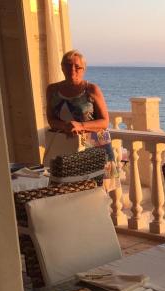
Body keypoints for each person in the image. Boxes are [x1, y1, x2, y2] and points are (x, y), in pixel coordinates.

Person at [46, 49, 120, 191]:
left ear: (84, 69)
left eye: (77, 66)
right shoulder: (52, 90)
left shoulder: (92, 89)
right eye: (68, 65)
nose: (72, 69)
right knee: (68, 190)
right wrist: (65, 126)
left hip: (96, 145)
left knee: (100, 191)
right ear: (62, 67)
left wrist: (80, 125)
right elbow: (51, 120)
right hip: (66, 146)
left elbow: (105, 122)